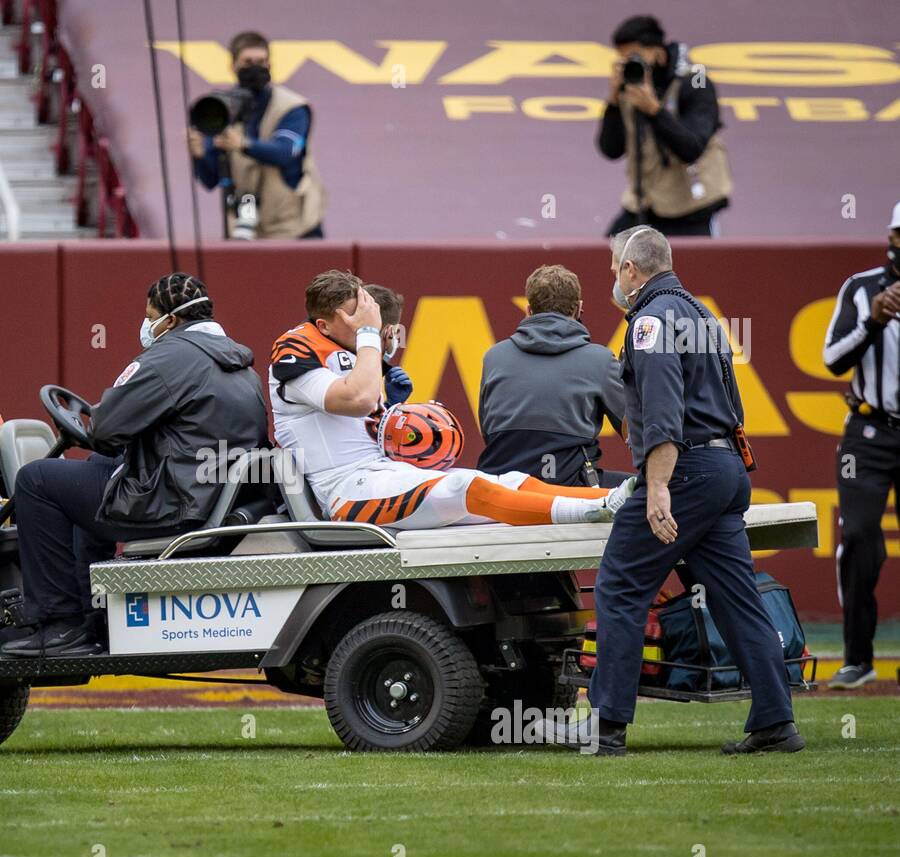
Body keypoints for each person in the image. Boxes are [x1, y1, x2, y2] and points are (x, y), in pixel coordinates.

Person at [546, 227, 804, 757]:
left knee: (619, 587)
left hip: (684, 471)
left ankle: (607, 724)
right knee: (737, 600)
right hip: (724, 468)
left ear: (632, 271)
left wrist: (658, 484)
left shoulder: (650, 321)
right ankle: (776, 720)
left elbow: (662, 409)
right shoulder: (701, 314)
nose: (612, 278)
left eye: (614, 267)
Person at [3, 273, 269, 656]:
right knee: (97, 467)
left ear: (171, 320)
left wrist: (96, 428)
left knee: (36, 480)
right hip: (208, 496)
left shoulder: (169, 356)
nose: (146, 325)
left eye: (150, 315)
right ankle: (94, 615)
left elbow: (105, 426)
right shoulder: (237, 362)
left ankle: (58, 622)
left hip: (174, 504)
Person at [268, 270, 637, 531]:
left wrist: (392, 414)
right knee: (464, 489)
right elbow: (359, 398)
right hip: (347, 492)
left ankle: (617, 499)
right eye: (359, 320)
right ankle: (599, 508)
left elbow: (363, 416)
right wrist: (368, 336)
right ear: (324, 326)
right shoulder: (297, 353)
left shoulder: (349, 352)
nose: (373, 329)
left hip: (380, 472)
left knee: (507, 479)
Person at [822, 200, 900, 689]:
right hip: (869, 433)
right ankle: (858, 656)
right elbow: (832, 358)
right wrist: (872, 320)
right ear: (893, 239)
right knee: (859, 538)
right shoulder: (862, 287)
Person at [478, 264, 629, 487]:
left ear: (529, 310)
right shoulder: (602, 360)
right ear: (578, 309)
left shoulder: (493, 357)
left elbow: (488, 430)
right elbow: (635, 431)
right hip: (571, 488)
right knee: (650, 489)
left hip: (498, 486)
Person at [596, 15, 732, 238]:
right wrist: (613, 101)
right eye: (623, 59)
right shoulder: (631, 85)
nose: (630, 64)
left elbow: (691, 148)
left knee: (699, 270)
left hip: (692, 207)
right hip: (644, 204)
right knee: (606, 261)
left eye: (635, 57)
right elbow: (611, 149)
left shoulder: (694, 83)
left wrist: (655, 111)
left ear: (657, 51)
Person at [187, 30, 326, 239]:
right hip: (244, 227)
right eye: (247, 61)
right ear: (233, 65)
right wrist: (199, 157)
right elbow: (210, 180)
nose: (255, 68)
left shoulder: (292, 107)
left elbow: (284, 152)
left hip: (294, 226)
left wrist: (242, 144)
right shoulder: (220, 109)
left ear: (270, 64)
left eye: (261, 61)